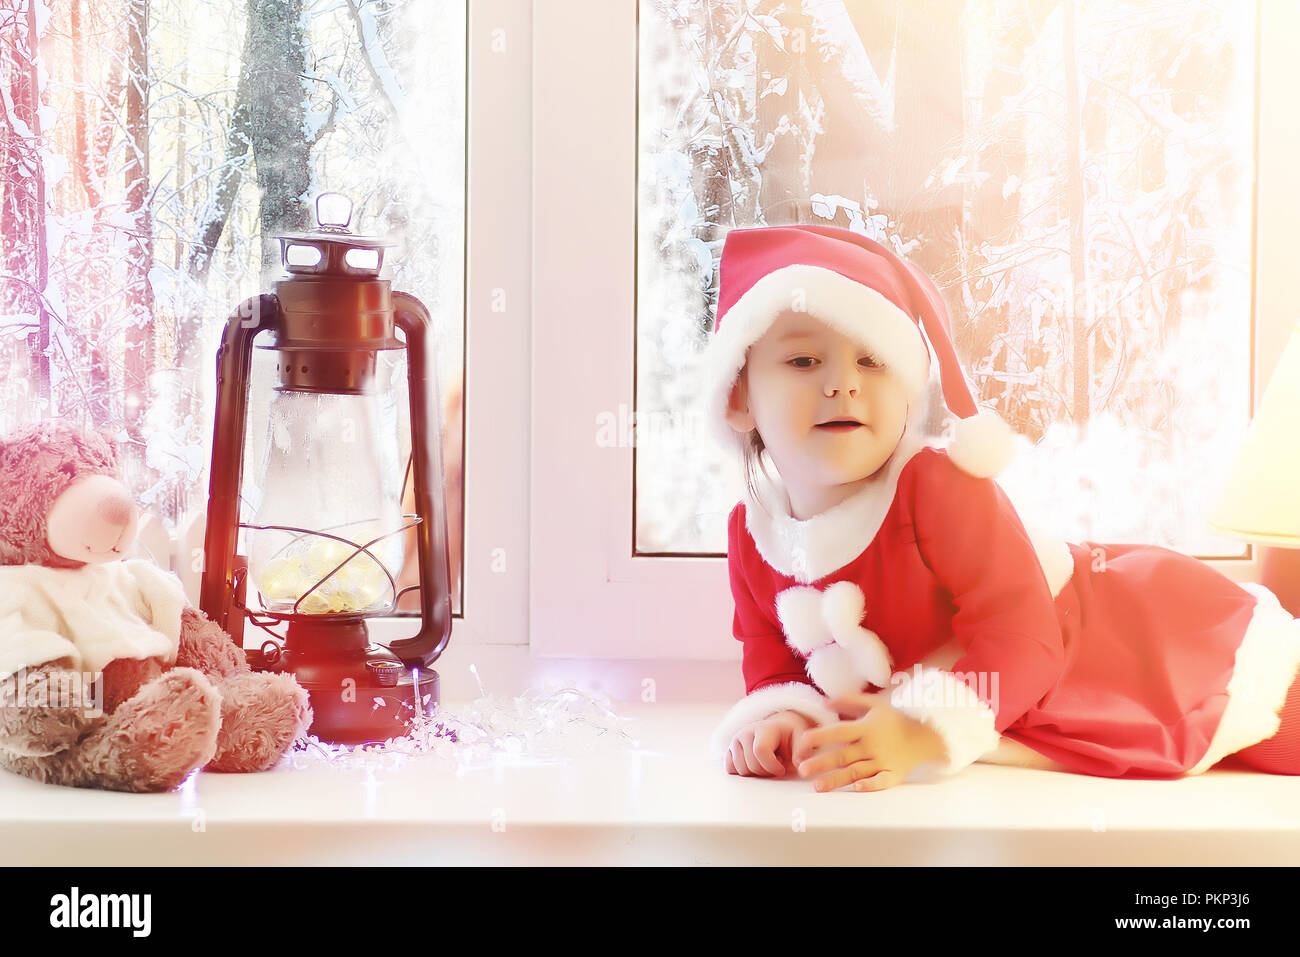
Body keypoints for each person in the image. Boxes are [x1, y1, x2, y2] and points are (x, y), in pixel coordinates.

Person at [698, 223, 1300, 792]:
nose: (843, 384)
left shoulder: (937, 486)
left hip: (1115, 640)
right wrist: (778, 714)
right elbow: (772, 655)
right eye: (804, 361)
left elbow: (1023, 636)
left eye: (871, 361)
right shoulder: (753, 534)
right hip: (1011, 691)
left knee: (1275, 723)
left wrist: (916, 731)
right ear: (738, 399)